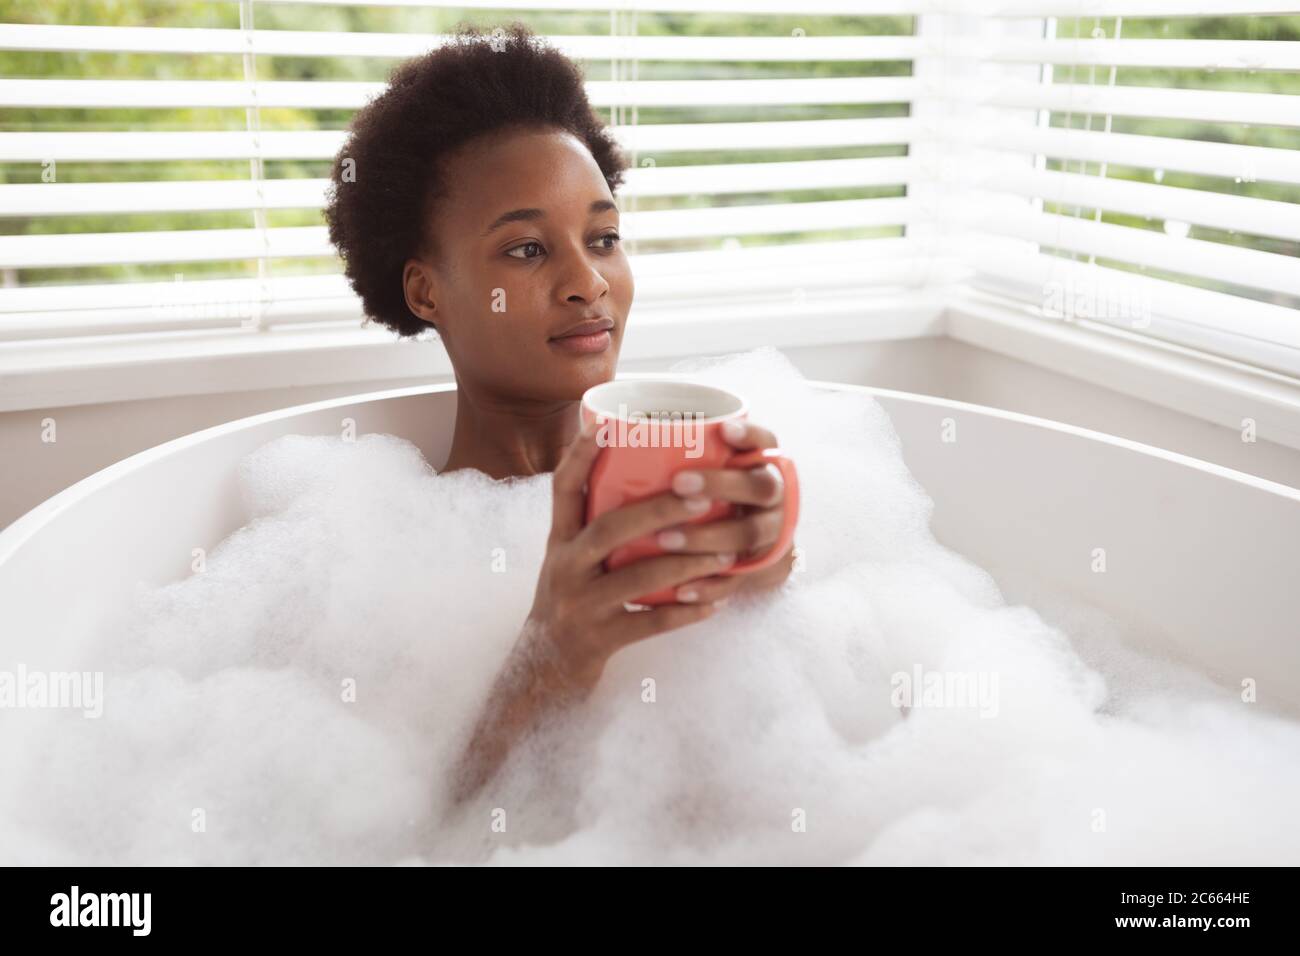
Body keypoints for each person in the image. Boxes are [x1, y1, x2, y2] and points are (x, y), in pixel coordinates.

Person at [325, 22, 797, 803]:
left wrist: (768, 578)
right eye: (527, 251)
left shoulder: (702, 482)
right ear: (425, 291)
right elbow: (410, 841)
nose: (590, 282)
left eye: (603, 237)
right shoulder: (363, 570)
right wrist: (551, 656)